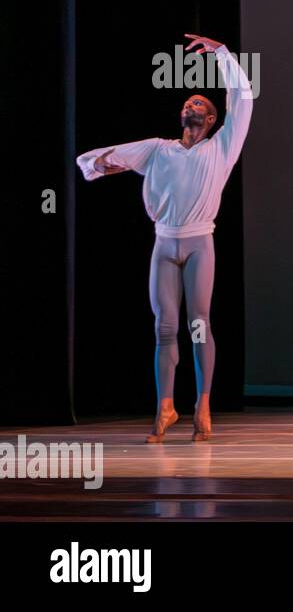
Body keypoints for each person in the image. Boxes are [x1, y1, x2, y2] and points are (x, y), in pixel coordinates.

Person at [76, 34, 253, 443]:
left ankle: (203, 404)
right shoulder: (159, 149)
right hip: (164, 243)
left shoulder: (222, 148)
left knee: (199, 322)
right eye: (187, 102)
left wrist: (222, 55)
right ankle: (166, 407)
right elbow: (108, 157)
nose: (190, 105)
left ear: (212, 119)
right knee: (164, 327)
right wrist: (100, 165)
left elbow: (243, 100)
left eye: (199, 103)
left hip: (199, 243)